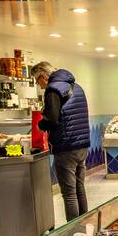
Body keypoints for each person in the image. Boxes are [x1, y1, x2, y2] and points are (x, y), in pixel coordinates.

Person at [32, 61, 91, 221]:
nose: (40, 86)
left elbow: (52, 119)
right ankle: (84, 227)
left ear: (43, 77)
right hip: (82, 145)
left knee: (69, 193)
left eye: (38, 81)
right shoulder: (77, 87)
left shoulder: (53, 89)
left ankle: (72, 234)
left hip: (65, 146)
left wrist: (40, 125)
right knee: (80, 187)